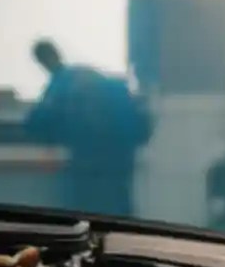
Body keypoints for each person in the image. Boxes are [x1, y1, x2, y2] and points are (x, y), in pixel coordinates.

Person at [25, 39, 152, 216]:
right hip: (118, 160)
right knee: (119, 212)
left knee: (86, 214)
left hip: (89, 162)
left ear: (44, 61)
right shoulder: (88, 76)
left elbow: (38, 122)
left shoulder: (62, 83)